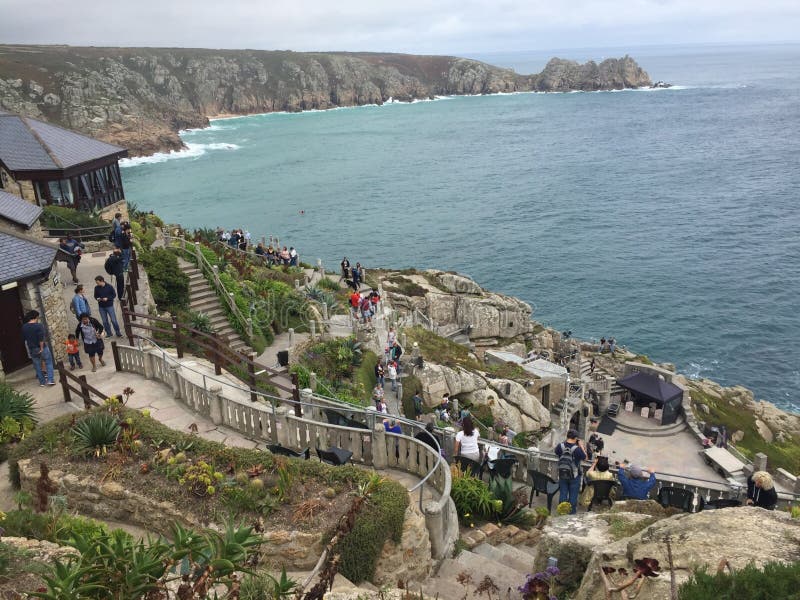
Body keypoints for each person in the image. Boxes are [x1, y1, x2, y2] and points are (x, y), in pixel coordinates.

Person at [554, 429, 588, 514]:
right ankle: (571, 514)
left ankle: (562, 512)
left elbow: (557, 453)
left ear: (567, 436)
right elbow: (586, 458)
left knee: (563, 494)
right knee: (573, 496)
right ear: (576, 438)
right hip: (574, 476)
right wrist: (581, 446)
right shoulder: (577, 449)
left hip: (562, 474)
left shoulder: (560, 446)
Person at [20, 310, 56, 386]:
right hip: (41, 348)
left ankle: (42, 382)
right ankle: (50, 380)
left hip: (32, 349)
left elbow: (24, 338)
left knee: (37, 366)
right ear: (36, 317)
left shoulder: (24, 327)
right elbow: (41, 338)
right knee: (48, 362)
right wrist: (42, 348)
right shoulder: (39, 326)